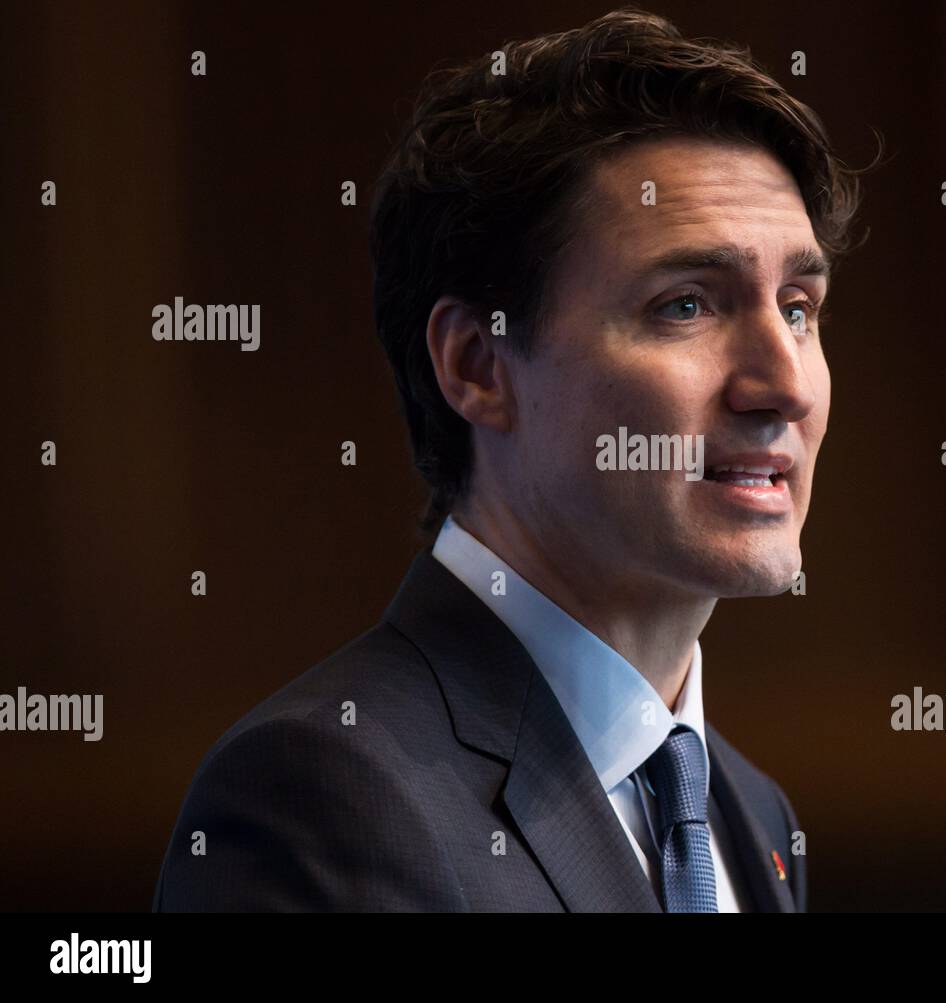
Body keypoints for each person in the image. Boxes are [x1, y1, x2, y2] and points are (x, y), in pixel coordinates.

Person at [153, 5, 868, 912]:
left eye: (799, 307)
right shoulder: (321, 791)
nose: (785, 383)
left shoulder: (752, 815)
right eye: (687, 304)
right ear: (478, 365)